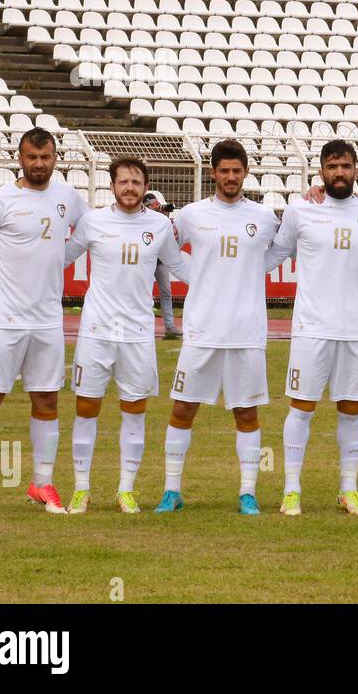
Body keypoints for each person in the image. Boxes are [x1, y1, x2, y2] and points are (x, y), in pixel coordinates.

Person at [0, 127, 90, 515]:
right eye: (32, 157)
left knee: (47, 399)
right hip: (2, 318)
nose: (39, 164)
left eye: (45, 157)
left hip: (48, 320)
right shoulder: (0, 199)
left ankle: (42, 483)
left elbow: (88, 236)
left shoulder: (69, 198)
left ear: (55, 158)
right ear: (20, 158)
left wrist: (61, 260)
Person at [265, 140, 358, 516]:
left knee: (351, 409)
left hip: (355, 327)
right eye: (333, 165)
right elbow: (274, 254)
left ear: (357, 170)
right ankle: (291, 489)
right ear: (320, 171)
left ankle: (348, 489)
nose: (340, 172)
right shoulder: (301, 209)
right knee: (302, 406)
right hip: (311, 326)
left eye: (346, 165)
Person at [154, 139, 280, 516]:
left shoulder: (264, 216)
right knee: (183, 407)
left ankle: (247, 493)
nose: (230, 177)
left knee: (246, 412)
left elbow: (283, 248)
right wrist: (197, 276)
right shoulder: (191, 215)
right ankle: (172, 491)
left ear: (245, 173)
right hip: (203, 329)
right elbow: (166, 249)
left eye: (236, 171)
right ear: (213, 173)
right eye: (223, 171)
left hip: (246, 330)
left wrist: (254, 271)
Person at [63, 157, 191, 514]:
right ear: (112, 185)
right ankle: (81, 489)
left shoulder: (160, 225)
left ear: (145, 185)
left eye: (136, 181)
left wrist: (222, 280)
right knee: (86, 408)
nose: (130, 187)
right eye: (123, 181)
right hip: (97, 331)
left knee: (134, 411)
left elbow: (178, 265)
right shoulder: (92, 222)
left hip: (137, 333)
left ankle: (126, 490)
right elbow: (62, 257)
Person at [142, 190, 181, 339]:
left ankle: (170, 327)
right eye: (151, 205)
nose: (155, 206)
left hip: (161, 260)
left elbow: (173, 236)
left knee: (166, 293)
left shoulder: (162, 220)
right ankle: (141, 326)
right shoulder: (142, 218)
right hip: (146, 260)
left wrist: (165, 217)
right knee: (142, 292)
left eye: (156, 204)